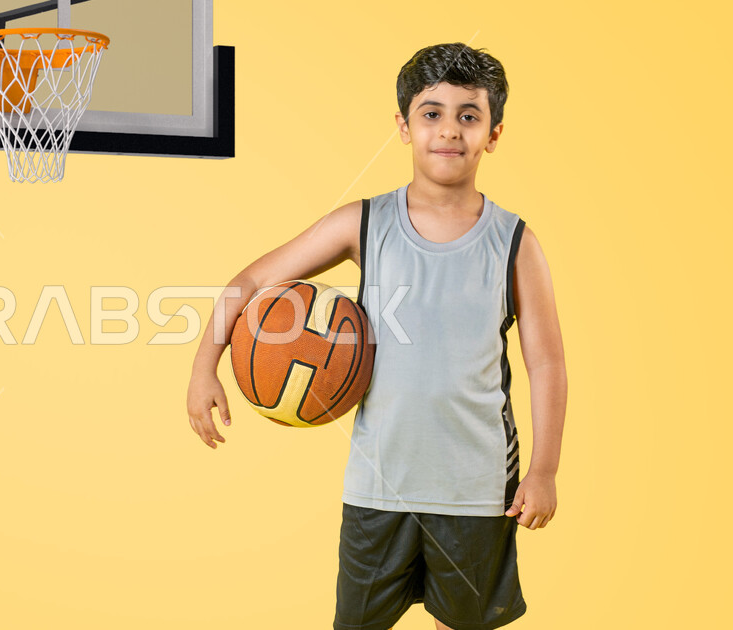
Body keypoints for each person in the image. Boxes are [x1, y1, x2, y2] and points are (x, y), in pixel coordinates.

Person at [185, 42, 567, 630]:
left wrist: (543, 470)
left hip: (477, 488)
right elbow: (255, 279)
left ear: (493, 133)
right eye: (431, 113)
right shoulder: (364, 223)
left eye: (469, 115)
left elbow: (546, 364)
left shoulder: (515, 242)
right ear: (404, 126)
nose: (449, 131)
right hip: (378, 486)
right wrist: (203, 367)